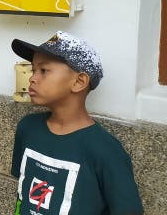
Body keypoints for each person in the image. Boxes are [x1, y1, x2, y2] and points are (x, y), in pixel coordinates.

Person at [10, 31, 143, 215]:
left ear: (79, 82)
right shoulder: (28, 128)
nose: (32, 78)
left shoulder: (105, 150)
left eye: (44, 70)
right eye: (33, 70)